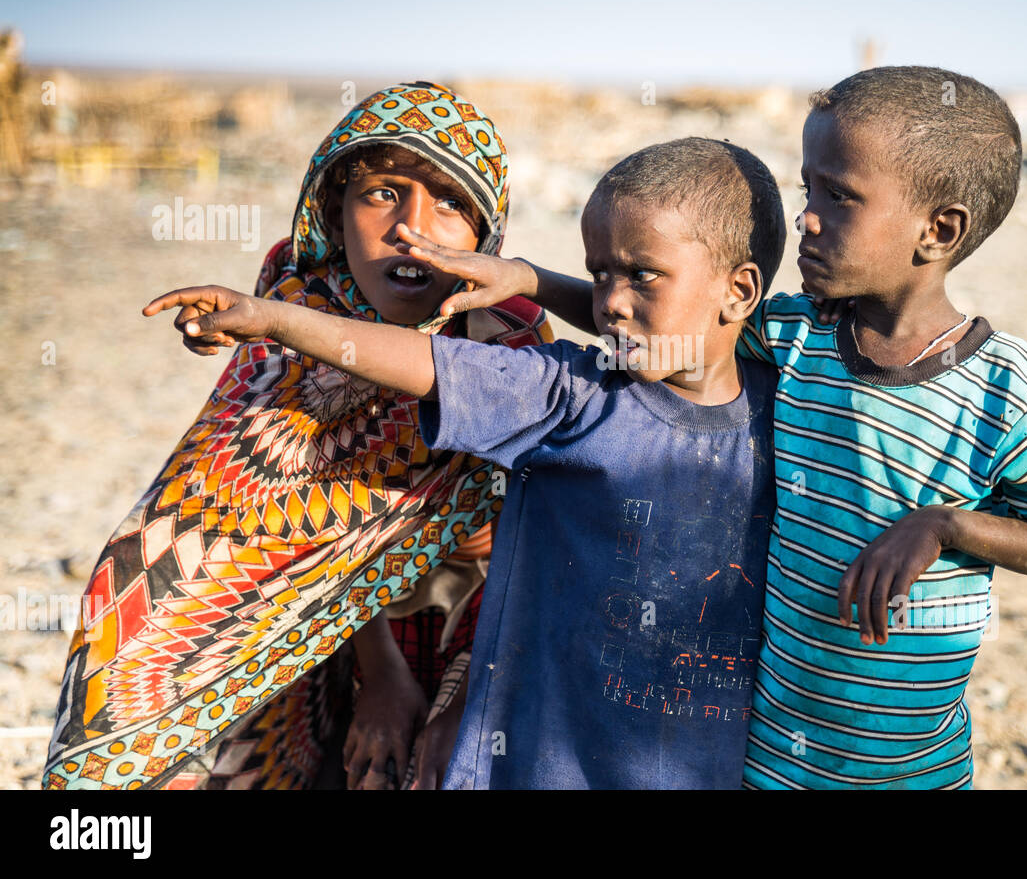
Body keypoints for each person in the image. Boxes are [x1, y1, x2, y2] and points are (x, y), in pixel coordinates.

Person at [409, 67, 1027, 790]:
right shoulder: (795, 339)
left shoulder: (1009, 393)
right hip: (772, 757)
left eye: (839, 196)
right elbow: (663, 329)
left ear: (938, 231)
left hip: (915, 767)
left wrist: (947, 527)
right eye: (810, 189)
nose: (807, 216)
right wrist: (532, 280)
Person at [143, 136, 786, 788]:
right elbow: (423, 363)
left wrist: (533, 280)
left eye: (641, 275)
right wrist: (275, 319)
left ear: (740, 290)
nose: (611, 302)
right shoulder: (570, 395)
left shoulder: (794, 406)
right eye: (598, 275)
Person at [43, 82, 551, 791]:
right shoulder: (293, 311)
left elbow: (540, 562)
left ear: (486, 234)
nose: (413, 227)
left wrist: (463, 703)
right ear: (332, 210)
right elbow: (279, 544)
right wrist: (381, 677)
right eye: (381, 194)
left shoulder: (511, 342)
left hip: (489, 628)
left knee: (465, 757)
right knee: (144, 605)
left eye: (450, 202)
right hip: (336, 631)